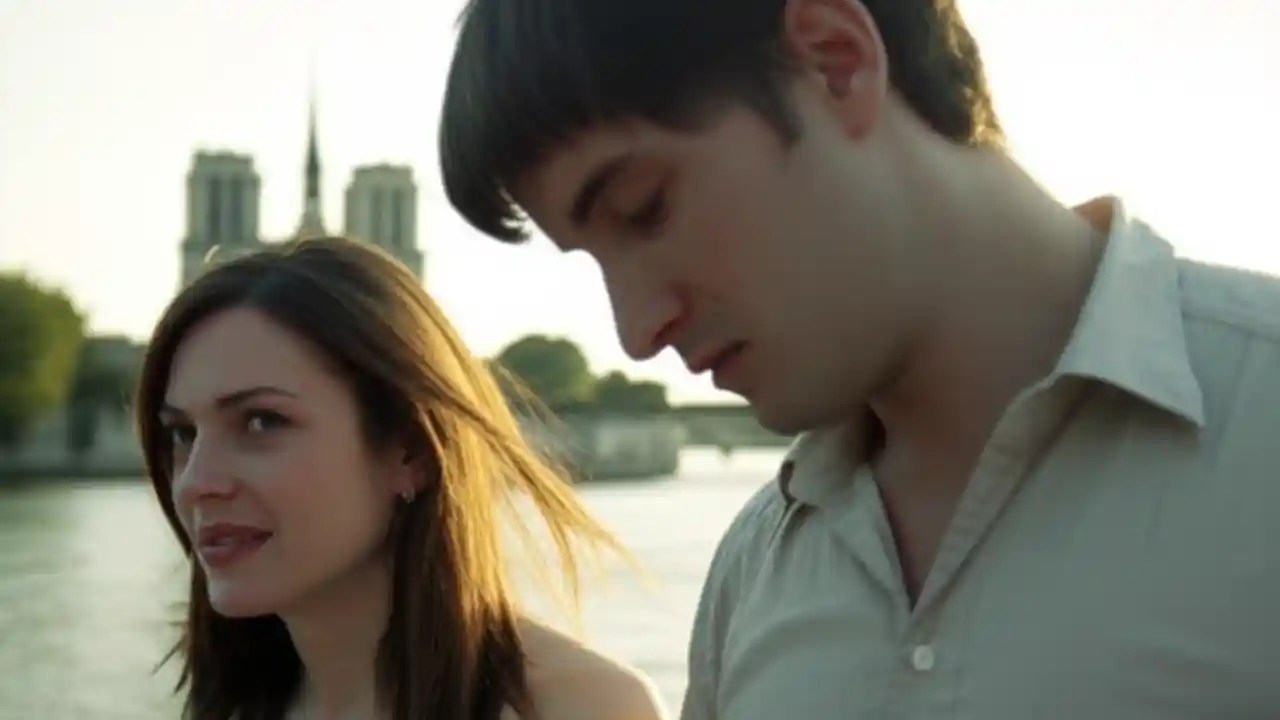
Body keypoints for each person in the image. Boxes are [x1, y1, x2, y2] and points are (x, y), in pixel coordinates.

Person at [437, 0, 1280, 717]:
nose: (635, 330)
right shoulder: (751, 577)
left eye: (644, 209)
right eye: (591, 260)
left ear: (835, 60)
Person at [134, 238, 668, 720]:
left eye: (261, 421)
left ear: (411, 450)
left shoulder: (583, 708)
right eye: (181, 433)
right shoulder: (228, 707)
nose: (195, 482)